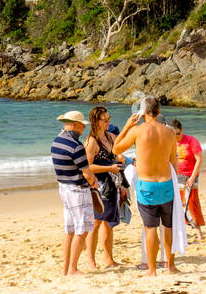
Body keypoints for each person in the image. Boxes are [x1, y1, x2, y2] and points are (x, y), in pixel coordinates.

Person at [114, 96, 179, 276]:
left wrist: (127, 125)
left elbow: (115, 149)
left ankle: (152, 270)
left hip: (147, 185)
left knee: (151, 228)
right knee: (167, 226)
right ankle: (170, 266)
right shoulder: (170, 133)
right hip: (166, 183)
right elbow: (173, 161)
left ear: (143, 113)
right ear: (158, 112)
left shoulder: (137, 131)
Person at [52, 110, 103, 276]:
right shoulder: (76, 146)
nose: (83, 128)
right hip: (77, 190)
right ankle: (73, 269)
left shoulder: (57, 141)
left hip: (63, 188)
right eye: (82, 125)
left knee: (70, 230)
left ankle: (65, 269)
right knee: (82, 230)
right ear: (75, 125)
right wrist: (94, 182)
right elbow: (87, 173)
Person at [84, 105, 128, 269]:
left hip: (112, 184)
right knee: (95, 223)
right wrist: (109, 168)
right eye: (105, 120)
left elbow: (118, 159)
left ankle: (109, 259)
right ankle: (91, 260)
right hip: (98, 186)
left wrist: (122, 184)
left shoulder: (110, 137)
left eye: (109, 118)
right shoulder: (91, 142)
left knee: (109, 223)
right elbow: (87, 167)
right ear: (96, 121)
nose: (109, 122)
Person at [171, 119, 206, 238]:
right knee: (177, 203)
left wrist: (192, 177)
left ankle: (198, 231)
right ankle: (181, 231)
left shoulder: (191, 141)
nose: (176, 136)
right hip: (176, 176)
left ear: (182, 130)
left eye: (178, 133)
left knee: (191, 202)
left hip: (190, 175)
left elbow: (199, 160)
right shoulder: (170, 142)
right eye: (173, 134)